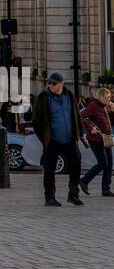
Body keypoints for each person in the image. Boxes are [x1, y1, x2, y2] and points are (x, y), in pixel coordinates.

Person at [32, 71, 86, 207]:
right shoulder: (43, 98)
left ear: (61, 84)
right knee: (49, 169)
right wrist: (44, 138)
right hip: (52, 140)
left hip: (69, 138)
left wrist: (80, 132)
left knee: (76, 163)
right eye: (49, 83)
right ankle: (49, 197)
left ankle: (73, 194)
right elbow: (36, 120)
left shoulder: (69, 95)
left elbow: (77, 115)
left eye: (54, 83)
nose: (50, 86)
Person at [80, 87, 114, 197]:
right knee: (103, 163)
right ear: (99, 97)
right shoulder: (94, 105)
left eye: (109, 97)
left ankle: (106, 190)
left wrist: (113, 110)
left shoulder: (106, 106)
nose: (108, 99)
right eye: (106, 97)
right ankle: (84, 180)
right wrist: (90, 128)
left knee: (109, 165)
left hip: (106, 138)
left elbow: (110, 122)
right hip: (96, 139)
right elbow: (82, 116)